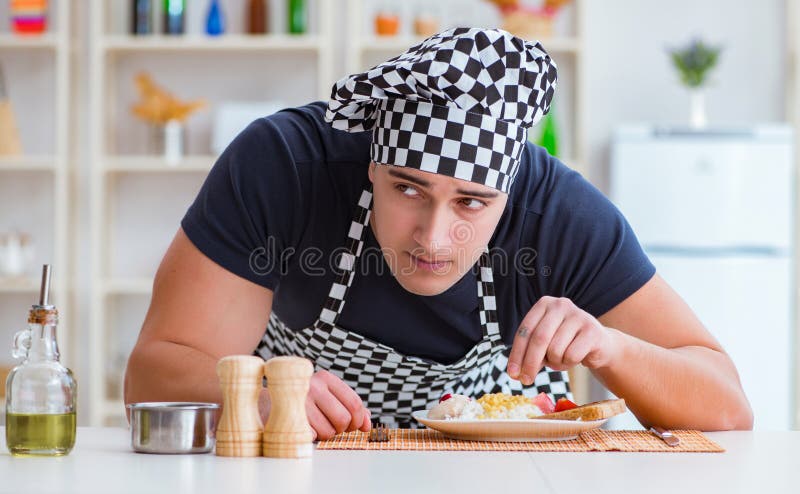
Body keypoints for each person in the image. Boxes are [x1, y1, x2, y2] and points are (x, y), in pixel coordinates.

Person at [124, 28, 753, 438]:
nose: (433, 236)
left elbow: (727, 407)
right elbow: (152, 372)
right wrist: (260, 394)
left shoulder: (560, 213)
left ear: (509, 193)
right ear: (371, 161)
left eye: (473, 203)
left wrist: (613, 350)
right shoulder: (284, 166)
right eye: (406, 189)